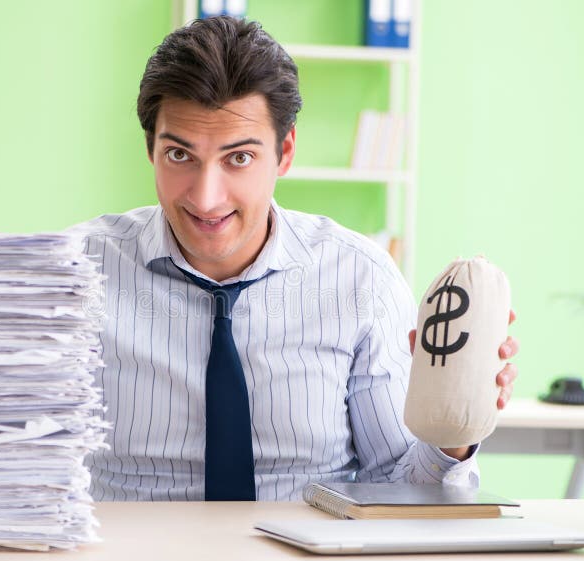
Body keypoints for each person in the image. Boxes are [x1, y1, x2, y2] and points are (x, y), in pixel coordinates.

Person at [76, 16, 518, 501]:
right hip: (131, 545)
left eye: (239, 158)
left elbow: (401, 489)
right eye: (180, 156)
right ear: (150, 149)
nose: (206, 198)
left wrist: (451, 436)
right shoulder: (72, 272)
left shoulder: (361, 279)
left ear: (284, 153)